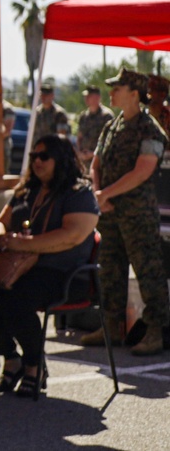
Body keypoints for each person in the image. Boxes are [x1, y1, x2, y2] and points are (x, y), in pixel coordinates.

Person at [0, 135, 99, 397]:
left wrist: (24, 244)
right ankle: (11, 359)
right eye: (33, 157)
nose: (37, 162)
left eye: (44, 157)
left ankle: (34, 364)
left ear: (60, 159)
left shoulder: (78, 193)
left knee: (16, 301)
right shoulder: (26, 190)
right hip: (18, 269)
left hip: (64, 274)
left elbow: (72, 235)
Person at [82, 68, 169, 355]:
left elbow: (143, 171)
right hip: (109, 213)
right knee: (110, 271)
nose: (111, 92)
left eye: (117, 88)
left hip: (137, 215)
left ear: (134, 94)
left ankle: (156, 331)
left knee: (148, 272)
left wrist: (105, 194)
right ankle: (111, 326)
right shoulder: (111, 126)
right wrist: (99, 195)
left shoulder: (150, 129)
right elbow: (95, 163)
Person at [75, 85, 115, 166]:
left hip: (99, 162)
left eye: (89, 96)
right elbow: (79, 137)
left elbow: (109, 141)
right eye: (85, 96)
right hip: (84, 161)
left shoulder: (106, 116)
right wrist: (79, 153)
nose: (86, 99)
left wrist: (93, 154)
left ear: (97, 97)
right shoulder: (83, 116)